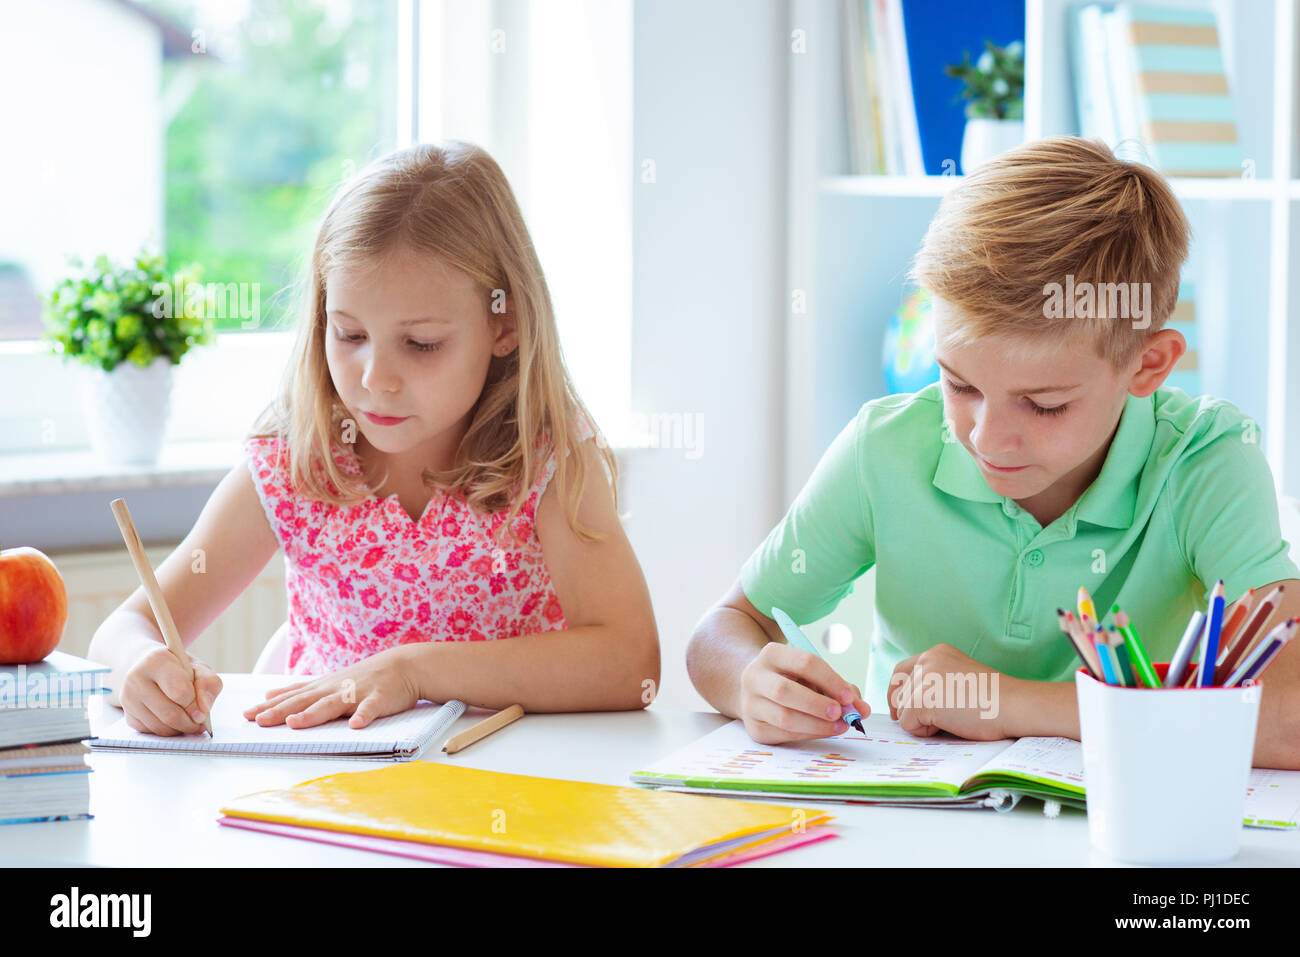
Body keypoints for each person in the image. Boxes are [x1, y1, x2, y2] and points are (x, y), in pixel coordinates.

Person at [687, 137, 1300, 769]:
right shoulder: (888, 447)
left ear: (1148, 364)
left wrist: (1009, 702)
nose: (985, 437)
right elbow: (724, 628)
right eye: (960, 384)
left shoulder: (1206, 460)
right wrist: (749, 685)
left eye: (1044, 404)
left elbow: (1290, 716)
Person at [89, 142, 659, 735]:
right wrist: (138, 664)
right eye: (350, 334)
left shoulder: (544, 458)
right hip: (330, 794)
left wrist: (412, 670)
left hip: (506, 793)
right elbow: (121, 631)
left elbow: (630, 664)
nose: (375, 380)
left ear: (504, 324)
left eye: (421, 344)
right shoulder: (297, 463)